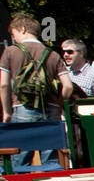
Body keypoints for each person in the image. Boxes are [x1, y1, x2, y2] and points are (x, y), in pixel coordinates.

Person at [1, 14, 74, 166]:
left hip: (21, 108)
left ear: (22, 29)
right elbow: (68, 86)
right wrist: (59, 105)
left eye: (13, 34)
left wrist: (7, 112)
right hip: (51, 110)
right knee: (51, 161)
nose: (14, 38)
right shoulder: (53, 54)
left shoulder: (10, 52)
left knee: (20, 160)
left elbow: (4, 85)